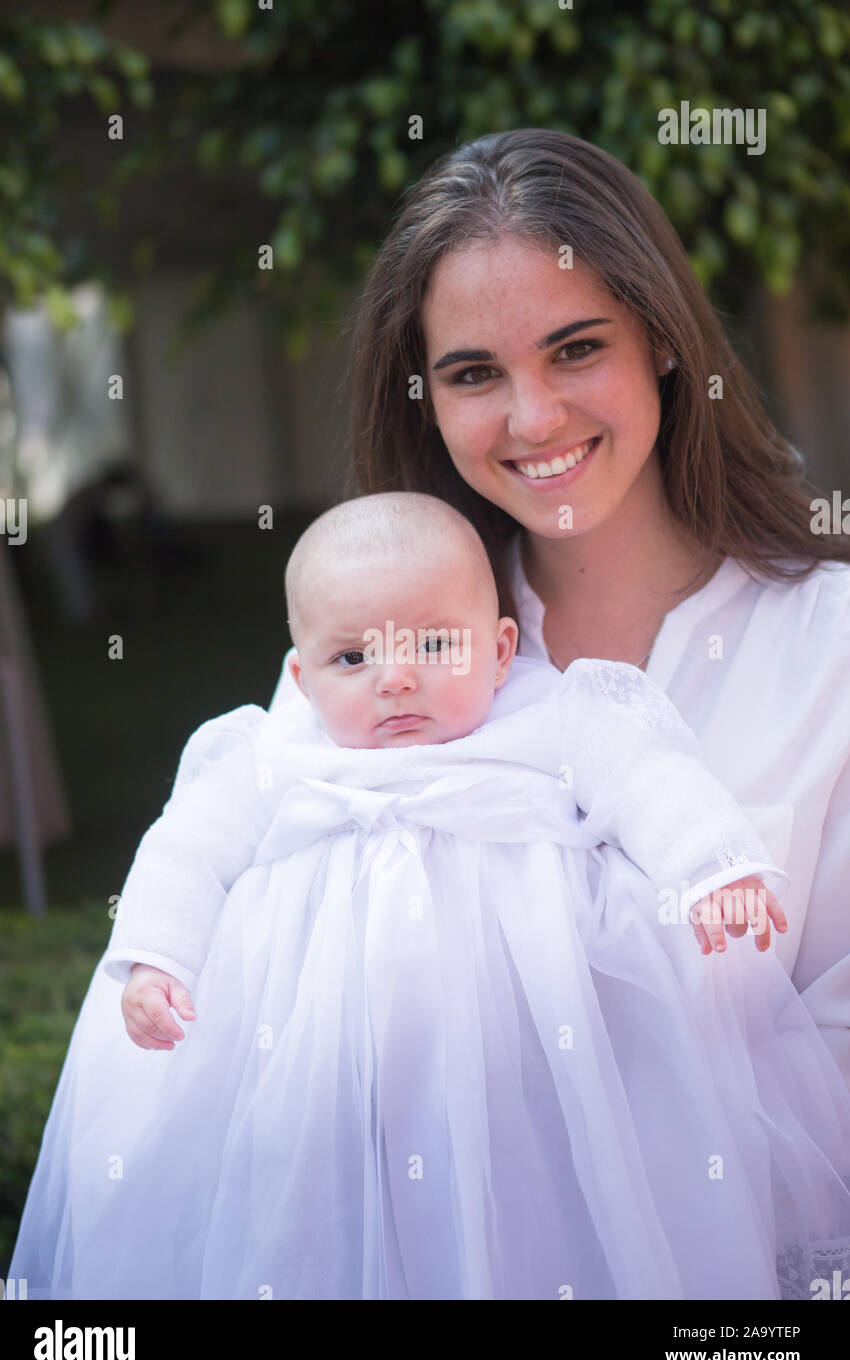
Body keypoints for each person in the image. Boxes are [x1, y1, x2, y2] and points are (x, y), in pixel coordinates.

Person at [7, 493, 850, 1301]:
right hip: (329, 1064)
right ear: (301, 678)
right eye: (353, 658)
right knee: (330, 1225)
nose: (396, 680)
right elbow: (187, 847)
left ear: (499, 645)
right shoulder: (277, 753)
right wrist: (159, 955)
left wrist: (710, 867)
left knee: (535, 1213)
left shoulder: (550, 712)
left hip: (529, 1055)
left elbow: (649, 775)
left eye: (436, 646)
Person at [327, 126, 850, 1088]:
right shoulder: (373, 660)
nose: (535, 420)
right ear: (425, 402)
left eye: (575, 349)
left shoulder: (833, 648)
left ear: (661, 340)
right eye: (475, 373)